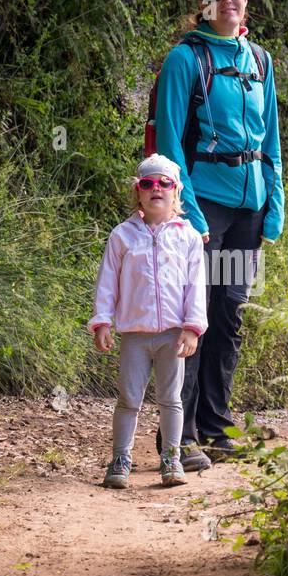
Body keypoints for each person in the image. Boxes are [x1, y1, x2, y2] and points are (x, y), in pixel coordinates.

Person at [154, 0, 283, 471]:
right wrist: (187, 212)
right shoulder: (186, 59)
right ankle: (179, 435)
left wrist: (274, 206)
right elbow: (168, 141)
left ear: (248, 0)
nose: (230, 0)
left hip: (248, 211)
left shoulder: (261, 62)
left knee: (230, 314)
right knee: (195, 318)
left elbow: (271, 139)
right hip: (203, 206)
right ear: (203, 4)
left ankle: (216, 427)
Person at [88, 154, 208, 489]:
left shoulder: (189, 237)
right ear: (138, 192)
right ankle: (121, 458)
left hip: (173, 335)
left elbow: (195, 287)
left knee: (171, 398)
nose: (156, 189)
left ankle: (171, 457)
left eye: (164, 183)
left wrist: (192, 327)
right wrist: (102, 321)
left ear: (176, 192)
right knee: (129, 399)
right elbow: (107, 282)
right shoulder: (122, 236)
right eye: (148, 183)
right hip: (135, 335)